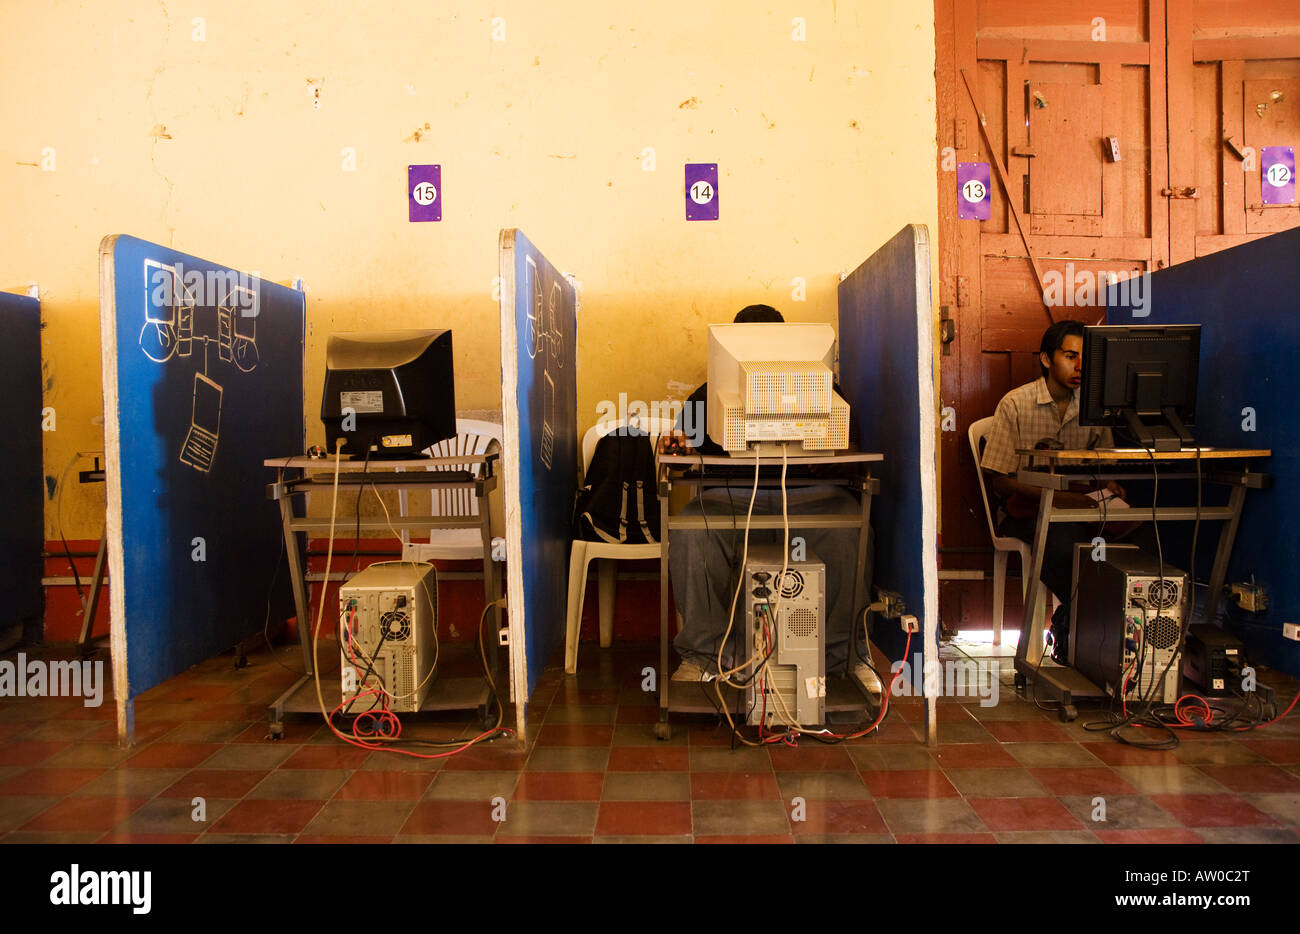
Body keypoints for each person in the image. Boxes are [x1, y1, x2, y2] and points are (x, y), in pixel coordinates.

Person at [662, 305, 876, 690]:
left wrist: (837, 460)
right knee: (693, 532)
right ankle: (704, 655)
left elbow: (854, 453)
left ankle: (844, 655)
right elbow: (680, 459)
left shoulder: (825, 384)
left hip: (814, 496)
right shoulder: (705, 395)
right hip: (732, 497)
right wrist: (676, 452)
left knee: (850, 536)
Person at [980, 319, 1146, 662]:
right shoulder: (1015, 404)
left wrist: (1107, 485)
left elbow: (1105, 468)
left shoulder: (1092, 407)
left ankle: (1091, 632)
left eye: (1086, 358)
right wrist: (1059, 498)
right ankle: (1077, 633)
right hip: (1027, 509)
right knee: (1065, 544)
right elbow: (998, 480)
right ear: (1045, 359)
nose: (1080, 367)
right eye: (1071, 356)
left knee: (1138, 533)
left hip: (1083, 506)